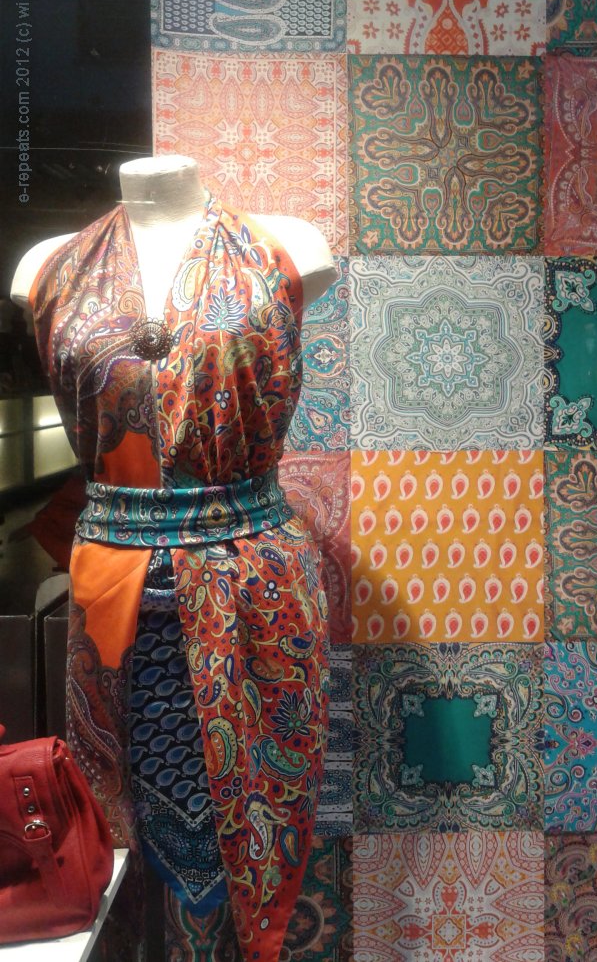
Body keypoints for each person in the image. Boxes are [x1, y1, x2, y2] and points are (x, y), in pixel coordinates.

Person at [12, 155, 336, 961]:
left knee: (249, 813)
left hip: (252, 577)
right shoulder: (49, 266)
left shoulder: (287, 248)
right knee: (131, 820)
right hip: (116, 584)